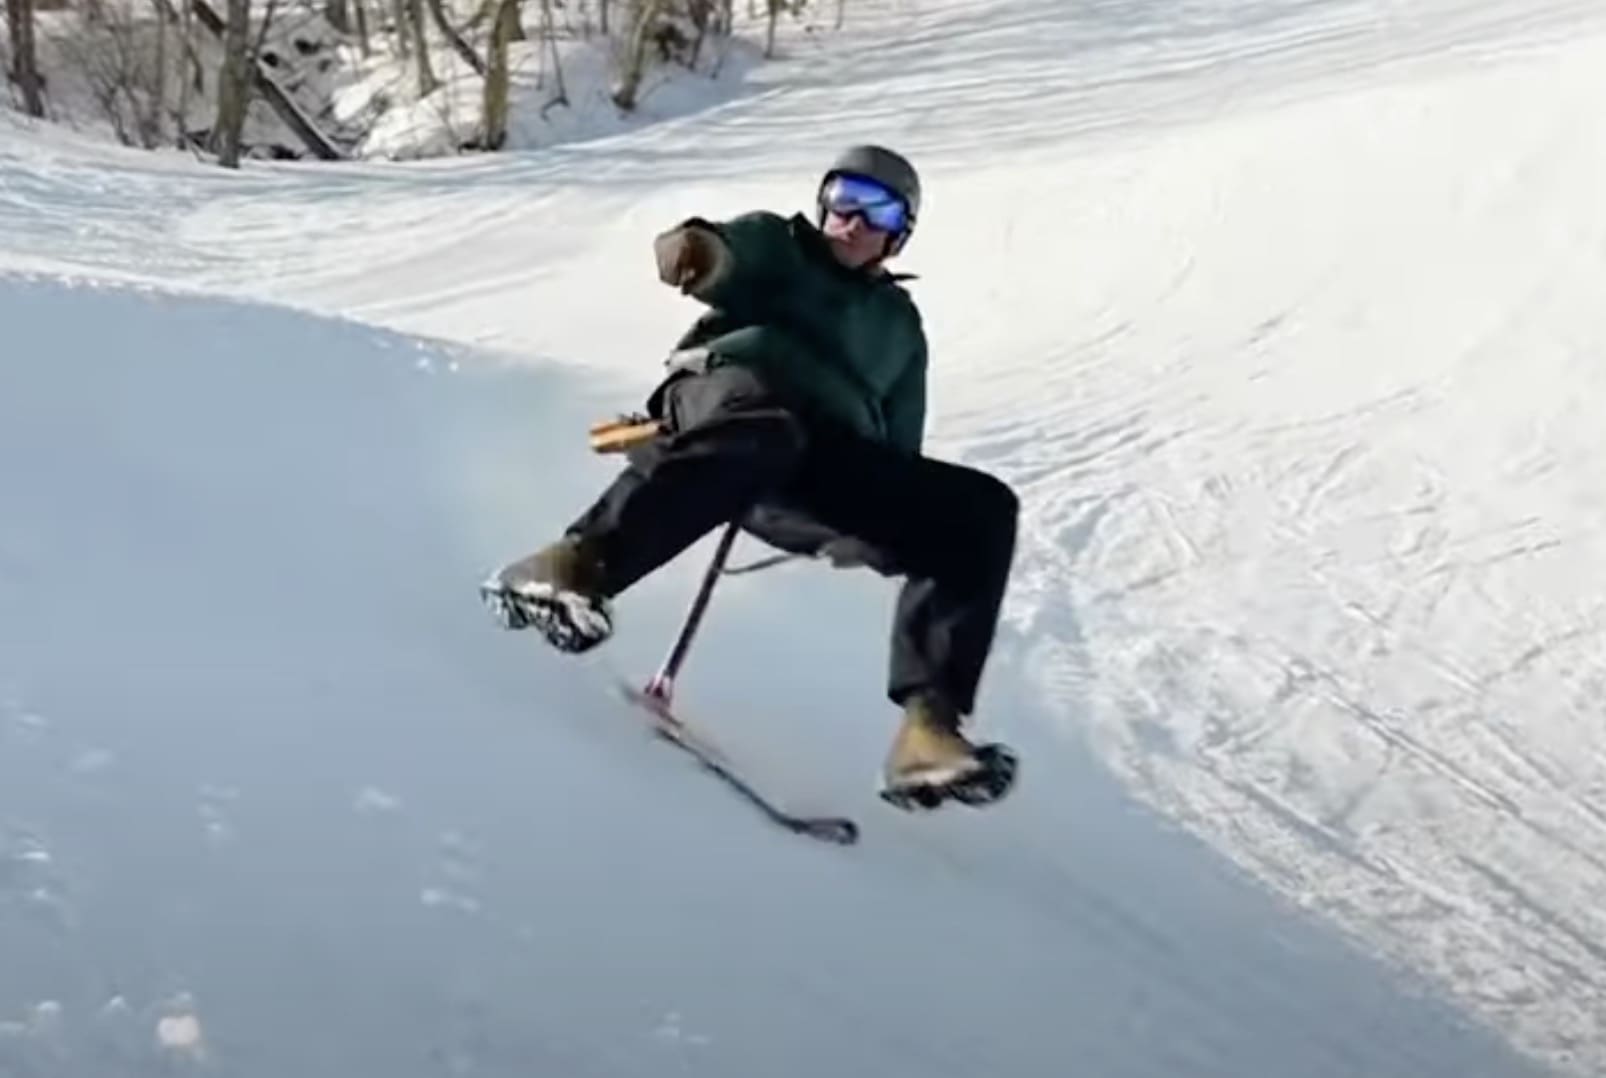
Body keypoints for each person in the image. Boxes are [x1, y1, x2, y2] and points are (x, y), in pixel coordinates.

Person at [481, 145, 1020, 807]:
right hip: (726, 398)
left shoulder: (901, 328)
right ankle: (572, 568)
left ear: (899, 232)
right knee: (770, 425)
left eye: (875, 207)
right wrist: (695, 252)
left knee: (980, 509)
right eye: (842, 197)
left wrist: (890, 529)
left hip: (815, 462)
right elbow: (722, 253)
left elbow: (897, 453)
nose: (851, 218)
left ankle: (928, 733)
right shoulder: (783, 245)